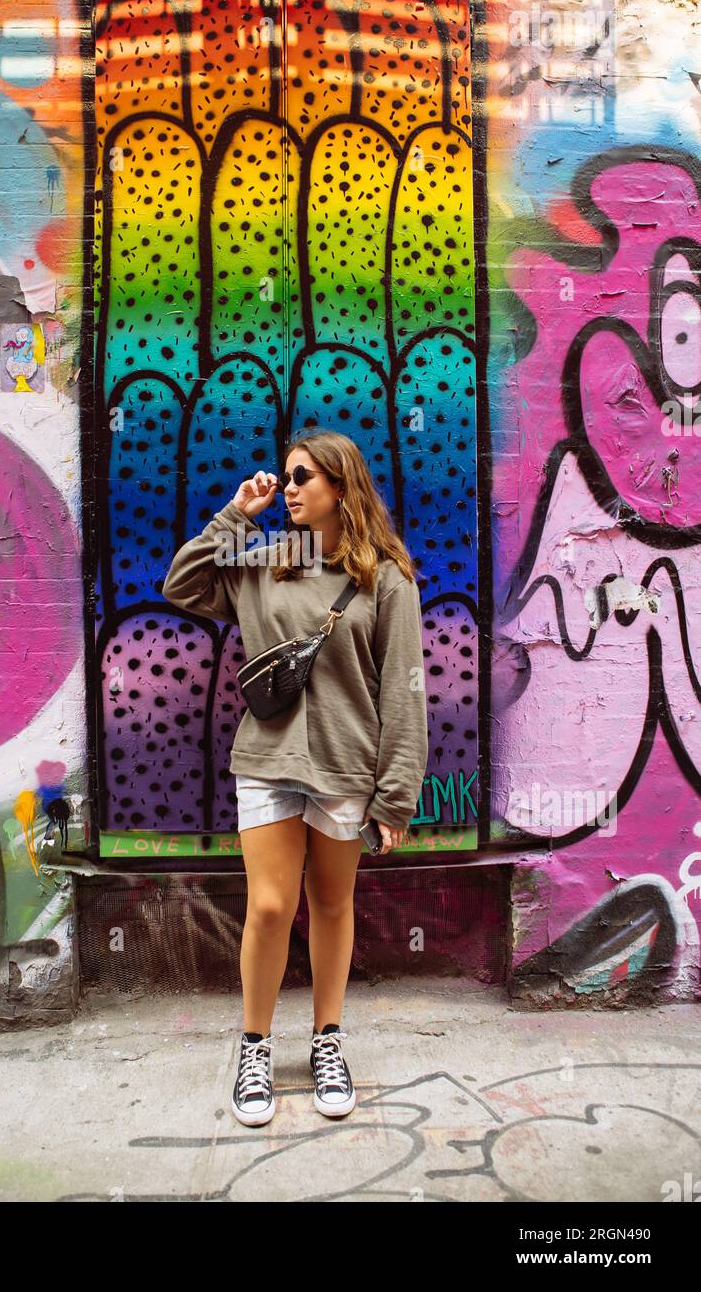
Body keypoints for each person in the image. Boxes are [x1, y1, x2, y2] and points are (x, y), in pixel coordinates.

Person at [161, 429, 428, 1126]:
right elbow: (182, 583)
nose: (289, 488)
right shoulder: (264, 563)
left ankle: (328, 1041)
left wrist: (396, 793)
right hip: (269, 761)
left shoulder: (387, 578)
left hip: (346, 763)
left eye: (302, 476)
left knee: (333, 906)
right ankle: (255, 1046)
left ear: (339, 484)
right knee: (272, 908)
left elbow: (404, 691)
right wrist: (236, 512)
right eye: (285, 477)